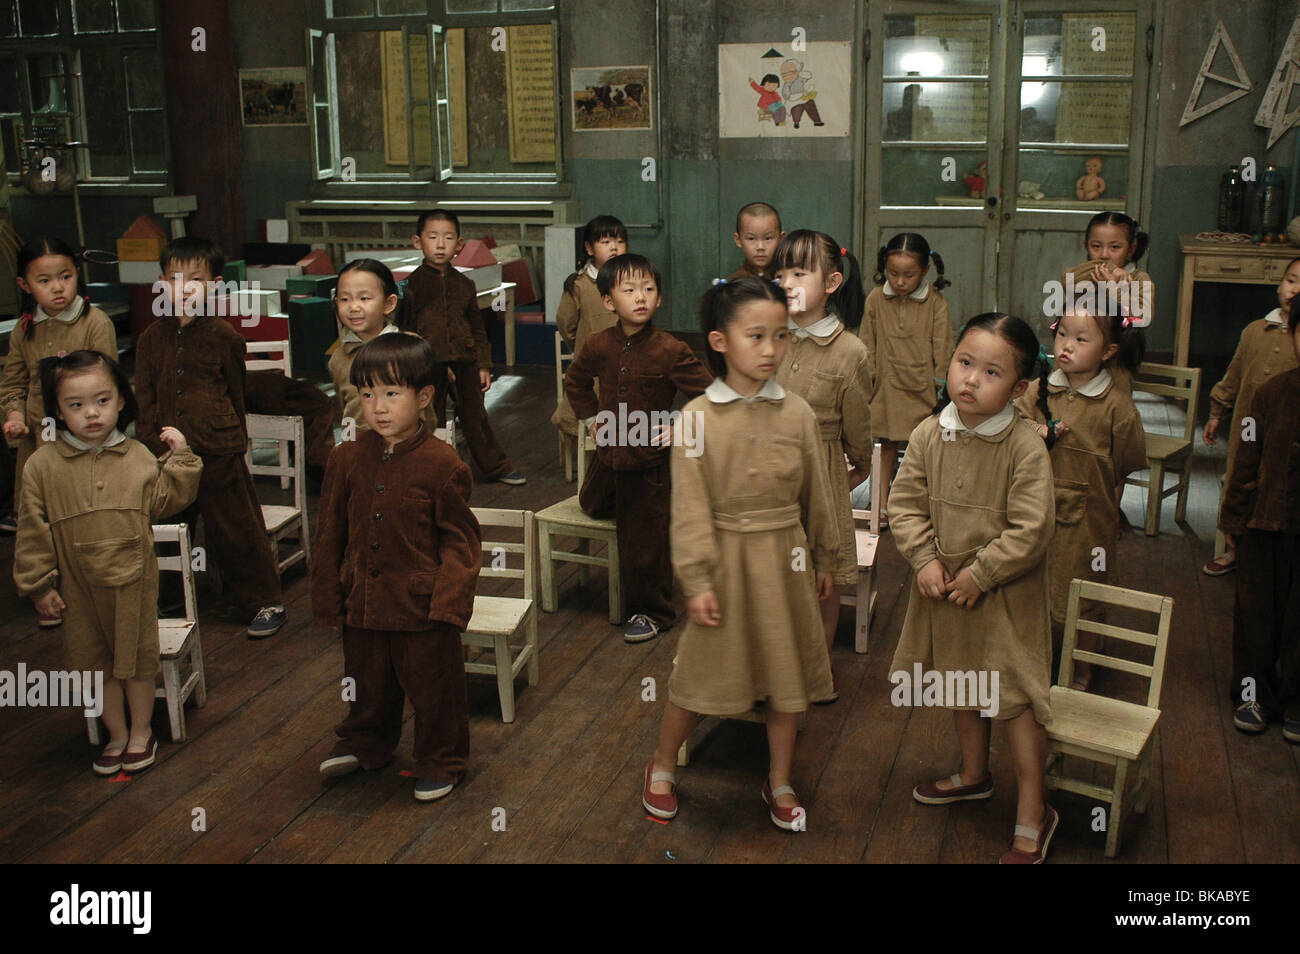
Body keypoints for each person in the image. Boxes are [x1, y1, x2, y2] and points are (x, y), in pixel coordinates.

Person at [641, 278, 836, 829]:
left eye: (781, 335)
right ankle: (661, 765)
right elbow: (690, 511)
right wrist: (697, 580)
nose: (771, 349)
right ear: (720, 341)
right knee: (701, 673)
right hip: (724, 563)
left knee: (785, 674)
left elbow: (817, 492)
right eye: (756, 336)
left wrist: (824, 557)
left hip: (785, 561)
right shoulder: (696, 419)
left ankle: (779, 778)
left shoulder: (798, 412)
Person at [890, 312, 1057, 864]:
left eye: (991, 372)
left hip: (1005, 598)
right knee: (961, 682)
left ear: (1020, 387)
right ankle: (973, 774)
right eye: (965, 362)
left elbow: (1031, 530)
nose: (970, 380)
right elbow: (905, 505)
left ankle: (1034, 811)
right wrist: (922, 559)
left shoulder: (1024, 446)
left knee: (1012, 700)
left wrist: (981, 574)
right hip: (945, 592)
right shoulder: (928, 432)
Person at [13, 351, 201, 774]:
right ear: (57, 411)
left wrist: (182, 457)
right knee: (92, 663)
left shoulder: (136, 456)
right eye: (75, 405)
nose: (91, 414)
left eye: (102, 400)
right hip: (77, 587)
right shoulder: (42, 465)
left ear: (120, 401)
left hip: (133, 581)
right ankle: (115, 734)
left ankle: (141, 731)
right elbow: (31, 529)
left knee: (135, 659)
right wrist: (39, 584)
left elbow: (168, 500)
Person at [312, 334, 482, 801]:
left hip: (422, 609)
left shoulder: (443, 464)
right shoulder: (347, 458)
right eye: (367, 395)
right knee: (366, 682)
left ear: (423, 397)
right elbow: (330, 533)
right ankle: (366, 741)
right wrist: (329, 597)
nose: (378, 407)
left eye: (391, 394)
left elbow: (462, 542)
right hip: (362, 602)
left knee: (435, 691)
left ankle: (441, 759)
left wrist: (448, 606)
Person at [134, 236, 288, 638]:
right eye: (174, 278)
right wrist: (151, 443)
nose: (183, 288)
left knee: (237, 528)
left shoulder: (225, 336)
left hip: (219, 448)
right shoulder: (151, 338)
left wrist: (238, 440)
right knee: (167, 527)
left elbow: (236, 394)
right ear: (161, 283)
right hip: (168, 454)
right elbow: (144, 396)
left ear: (215, 285)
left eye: (195, 279)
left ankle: (263, 601)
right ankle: (168, 600)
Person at [565, 253, 713, 643]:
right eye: (629, 290)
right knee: (591, 505)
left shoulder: (670, 349)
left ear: (659, 298)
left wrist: (683, 424)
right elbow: (575, 381)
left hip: (648, 465)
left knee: (643, 541)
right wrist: (591, 419)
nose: (641, 297)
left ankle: (652, 612)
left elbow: (713, 396)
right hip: (608, 456)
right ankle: (656, 513)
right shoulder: (599, 344)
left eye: (649, 289)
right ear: (610, 302)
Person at [1015, 285, 1147, 690]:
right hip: (1033, 509)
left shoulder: (1116, 406)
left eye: (1081, 338)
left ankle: (1084, 669)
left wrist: (1109, 516)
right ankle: (1027, 660)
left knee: (1085, 594)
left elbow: (1124, 466)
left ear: (1108, 351)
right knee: (1028, 586)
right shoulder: (1039, 389)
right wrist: (1034, 429)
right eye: (1061, 334)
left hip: (1091, 521)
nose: (1066, 346)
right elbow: (1010, 425)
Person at [773, 230, 872, 680]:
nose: (786, 282)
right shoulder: (766, 335)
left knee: (821, 575)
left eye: (799, 272)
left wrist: (861, 465)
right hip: (767, 472)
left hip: (822, 471)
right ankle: (775, 664)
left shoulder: (850, 350)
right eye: (779, 273)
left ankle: (819, 669)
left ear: (831, 283)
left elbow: (858, 422)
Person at [1219, 303, 1300, 743]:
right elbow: (1245, 460)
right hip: (1263, 526)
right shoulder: (1270, 395)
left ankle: (1296, 700)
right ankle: (1253, 694)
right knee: (1255, 617)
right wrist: (1233, 516)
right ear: (1293, 336)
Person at [0, 237, 117, 532]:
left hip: (86, 441)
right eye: (44, 280)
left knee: (85, 518)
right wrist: (16, 416)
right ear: (25, 285)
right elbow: (13, 383)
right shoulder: (24, 329)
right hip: (38, 441)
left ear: (78, 272)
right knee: (41, 524)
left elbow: (108, 387)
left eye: (66, 277)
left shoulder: (95, 323)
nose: (57, 287)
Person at [406, 209, 524, 485]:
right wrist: (419, 365)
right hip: (428, 365)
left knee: (476, 417)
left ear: (459, 245)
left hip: (465, 361)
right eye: (432, 237)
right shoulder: (411, 286)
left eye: (448, 238)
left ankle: (496, 467)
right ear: (417, 242)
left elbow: (477, 329)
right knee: (427, 417)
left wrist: (483, 365)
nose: (440, 244)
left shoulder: (466, 285)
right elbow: (406, 332)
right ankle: (426, 469)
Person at [1202, 257, 1300, 576]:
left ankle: (1261, 553)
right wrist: (1218, 411)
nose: (1295, 290)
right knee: (1237, 479)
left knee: (1272, 486)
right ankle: (1232, 548)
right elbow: (1234, 374)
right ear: (1279, 283)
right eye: (1292, 280)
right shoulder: (1255, 331)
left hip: (1283, 437)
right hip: (1246, 427)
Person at [858, 232, 951, 530]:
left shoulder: (936, 304)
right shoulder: (876, 299)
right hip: (884, 385)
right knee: (885, 445)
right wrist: (866, 379)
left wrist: (941, 385)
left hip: (922, 387)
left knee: (921, 447)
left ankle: (915, 507)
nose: (899, 281)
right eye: (893, 273)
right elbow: (866, 342)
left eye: (908, 275)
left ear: (924, 271)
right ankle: (881, 504)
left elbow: (943, 347)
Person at [328, 258, 441, 432]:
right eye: (344, 299)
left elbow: (427, 410)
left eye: (364, 298)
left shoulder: (411, 348)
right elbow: (345, 408)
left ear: (389, 304)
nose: (353, 307)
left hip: (408, 449)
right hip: (360, 450)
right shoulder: (339, 358)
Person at [1060, 212, 1154, 391]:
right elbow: (1067, 279)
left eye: (1115, 247)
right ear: (1086, 246)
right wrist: (1111, 269)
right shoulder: (1087, 275)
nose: (1104, 255)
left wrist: (1113, 289)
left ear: (1131, 249)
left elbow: (1142, 317)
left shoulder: (1139, 278)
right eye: (1096, 246)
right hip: (1077, 356)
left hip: (1116, 363)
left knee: (1111, 408)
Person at [552, 215, 626, 440]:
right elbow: (566, 323)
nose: (614, 247)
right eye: (605, 242)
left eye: (620, 241)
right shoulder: (580, 285)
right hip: (594, 368)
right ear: (589, 248)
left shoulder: (631, 281)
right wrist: (582, 345)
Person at [729, 201, 784, 281]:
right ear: (738, 240)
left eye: (768, 238)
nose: (760, 247)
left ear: (781, 239)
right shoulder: (734, 285)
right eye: (751, 238)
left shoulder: (788, 281)